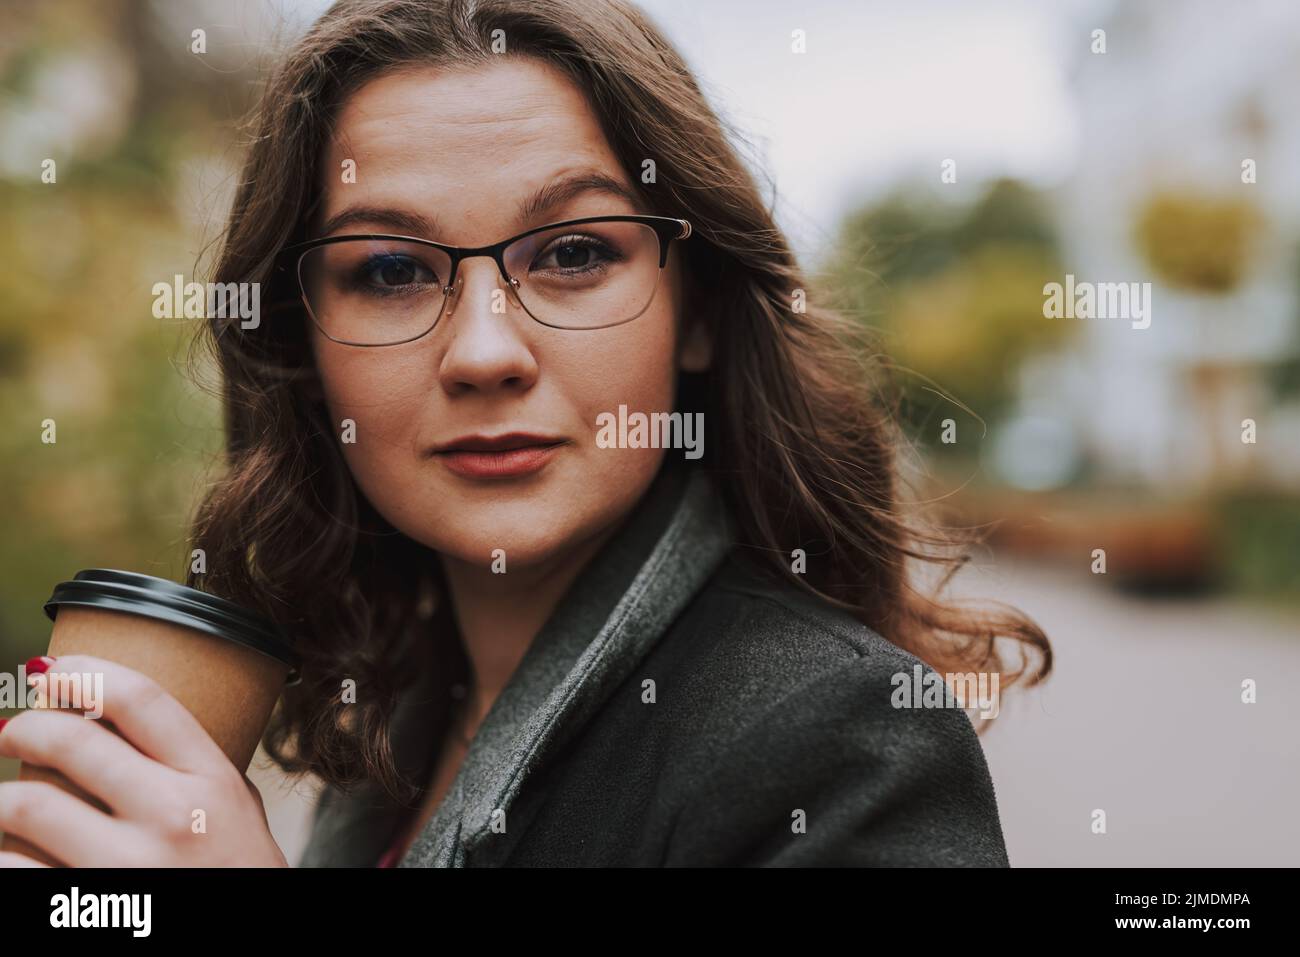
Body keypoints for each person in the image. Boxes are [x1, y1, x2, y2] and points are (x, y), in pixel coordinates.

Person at [0, 0, 1050, 868]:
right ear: (303, 348)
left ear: (695, 311)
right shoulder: (395, 727)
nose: (483, 353)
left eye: (574, 253)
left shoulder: (840, 743)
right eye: (391, 272)